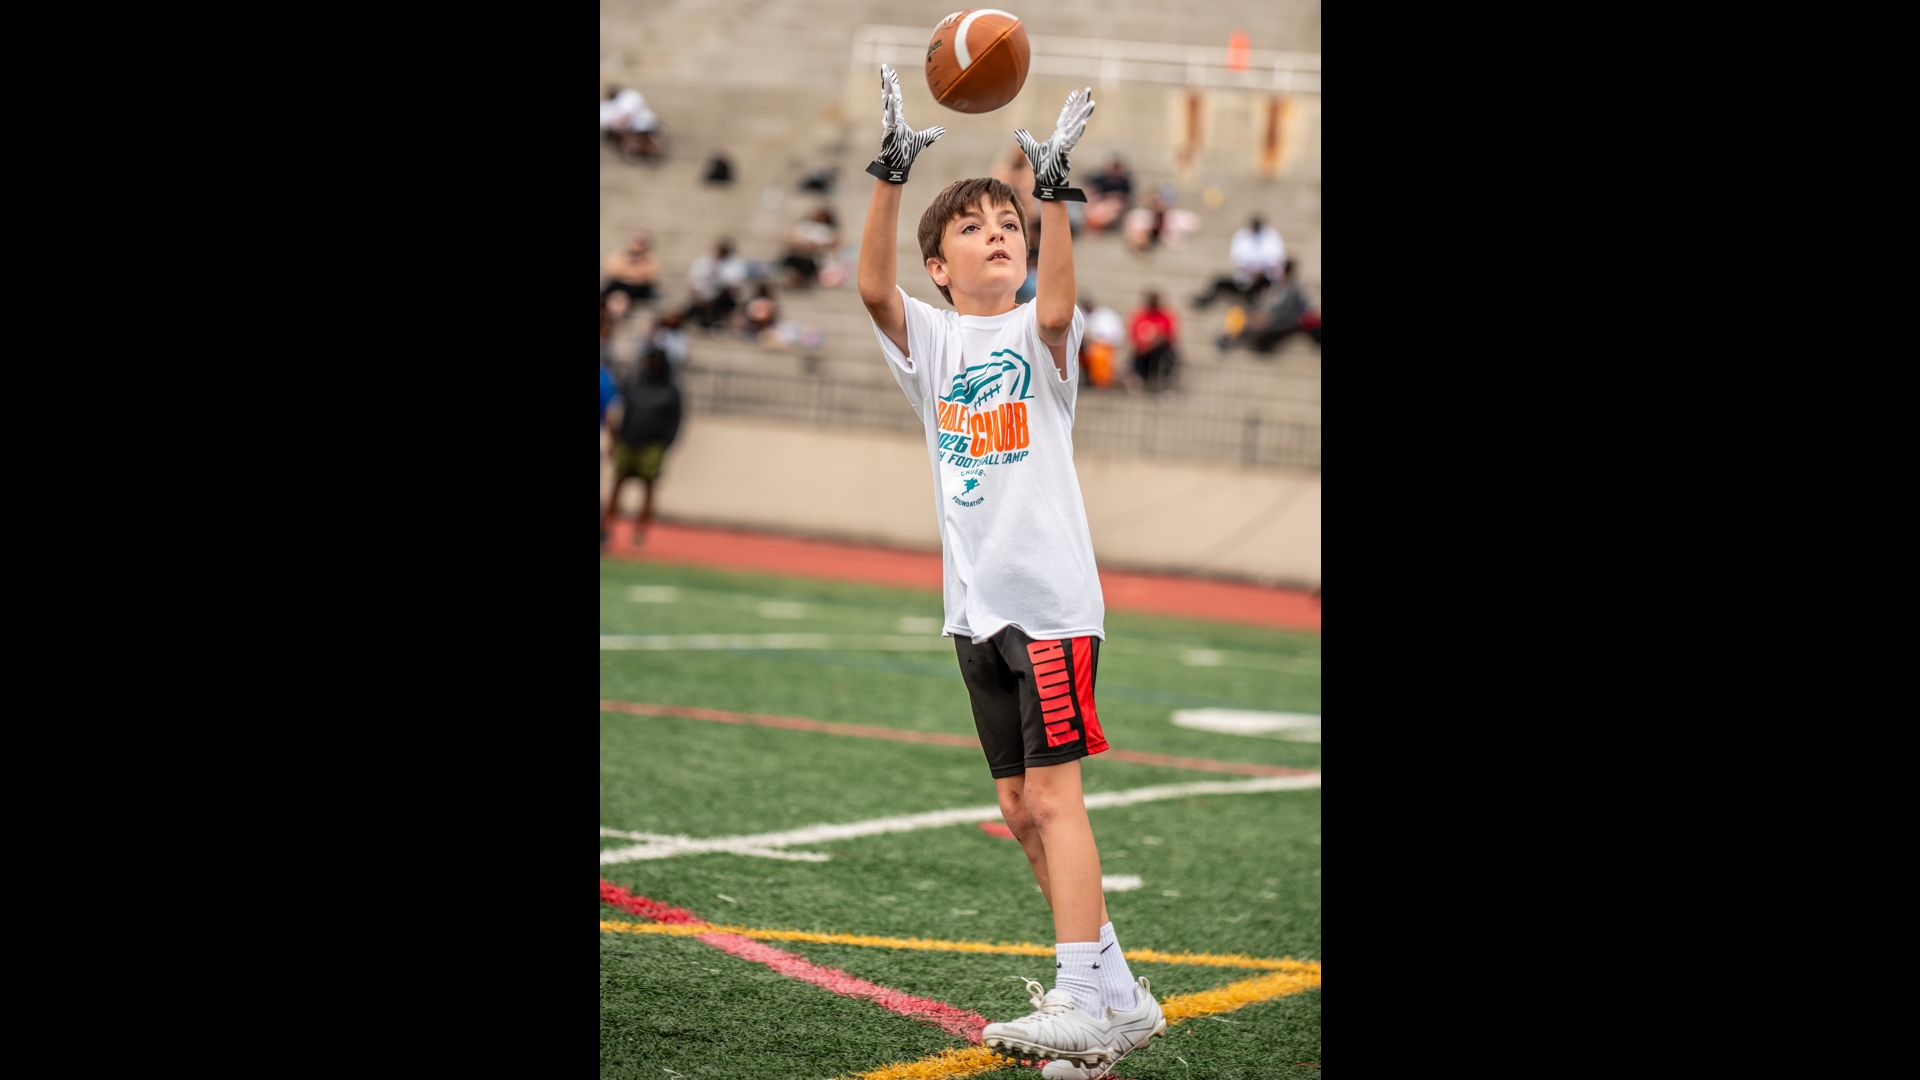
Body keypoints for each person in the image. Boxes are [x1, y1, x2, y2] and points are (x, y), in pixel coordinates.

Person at [855, 66, 1165, 1079]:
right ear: (938, 266)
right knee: (1019, 810)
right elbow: (872, 289)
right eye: (973, 226)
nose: (998, 232)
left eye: (1008, 224)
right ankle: (1116, 995)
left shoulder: (1038, 334)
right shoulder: (936, 339)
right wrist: (891, 174)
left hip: (1049, 607)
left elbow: (1061, 301)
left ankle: (1078, 994)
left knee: (1056, 798)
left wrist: (1056, 192)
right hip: (974, 609)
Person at [601, 350, 682, 547]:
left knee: (648, 488)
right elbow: (620, 411)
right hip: (628, 442)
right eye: (648, 360)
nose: (650, 364)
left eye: (654, 361)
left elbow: (675, 421)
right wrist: (617, 439)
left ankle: (640, 531)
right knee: (617, 484)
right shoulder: (634, 384)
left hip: (652, 446)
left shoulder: (670, 391)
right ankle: (605, 528)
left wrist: (664, 443)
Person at [1223, 259, 1321, 355]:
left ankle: (1232, 341)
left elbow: (1289, 311)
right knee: (1240, 315)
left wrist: (1268, 318)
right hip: (1272, 318)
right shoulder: (1278, 287)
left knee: (1254, 327)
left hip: (1283, 322)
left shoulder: (1293, 290)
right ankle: (1230, 338)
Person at [1191, 214, 1285, 308]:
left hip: (1265, 279)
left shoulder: (1271, 236)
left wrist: (1261, 272)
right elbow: (1237, 258)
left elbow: (1275, 260)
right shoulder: (1242, 235)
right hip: (1245, 277)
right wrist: (1250, 272)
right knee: (1219, 281)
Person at [686, 239, 747, 329]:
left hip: (724, 296)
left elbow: (733, 283)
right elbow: (696, 279)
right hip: (704, 294)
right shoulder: (706, 260)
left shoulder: (735, 264)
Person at [1128, 291, 1179, 391]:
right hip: (1142, 353)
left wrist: (1149, 347)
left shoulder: (1164, 317)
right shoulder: (1141, 317)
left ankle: (1166, 380)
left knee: (1168, 354)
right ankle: (1137, 378)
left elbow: (1165, 338)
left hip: (1158, 352)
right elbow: (1135, 337)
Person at [599, 86, 662, 163]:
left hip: (643, 125)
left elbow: (627, 115)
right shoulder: (604, 108)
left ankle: (652, 147)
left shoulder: (629, 96)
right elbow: (607, 123)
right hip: (626, 131)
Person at [781, 206, 839, 287]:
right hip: (799, 253)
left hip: (813, 257)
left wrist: (814, 246)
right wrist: (804, 245)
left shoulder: (828, 230)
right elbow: (791, 237)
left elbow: (833, 243)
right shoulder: (806, 225)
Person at [603, 232, 660, 307]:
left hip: (639, 288)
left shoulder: (650, 258)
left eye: (641, 243)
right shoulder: (620, 255)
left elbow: (651, 277)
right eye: (636, 242)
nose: (638, 245)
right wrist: (635, 273)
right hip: (618, 285)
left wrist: (628, 273)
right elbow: (611, 271)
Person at [1077, 297, 1123, 389]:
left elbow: (1111, 335)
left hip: (1103, 345)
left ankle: (1101, 381)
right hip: (1085, 345)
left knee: (1098, 353)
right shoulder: (1081, 315)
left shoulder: (1105, 315)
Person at [1085, 155, 1132, 232]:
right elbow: (1089, 185)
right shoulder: (1101, 179)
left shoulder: (1125, 182)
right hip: (1101, 203)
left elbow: (1125, 198)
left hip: (1115, 206)